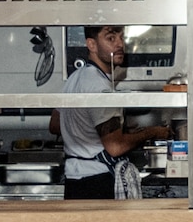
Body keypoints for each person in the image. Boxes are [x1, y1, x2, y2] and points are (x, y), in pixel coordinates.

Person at [57, 23, 168, 200]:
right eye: (110, 38)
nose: (120, 45)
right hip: (97, 182)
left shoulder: (75, 77)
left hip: (74, 180)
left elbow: (56, 124)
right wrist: (152, 132)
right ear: (91, 45)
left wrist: (105, 132)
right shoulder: (100, 87)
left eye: (121, 38)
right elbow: (115, 147)